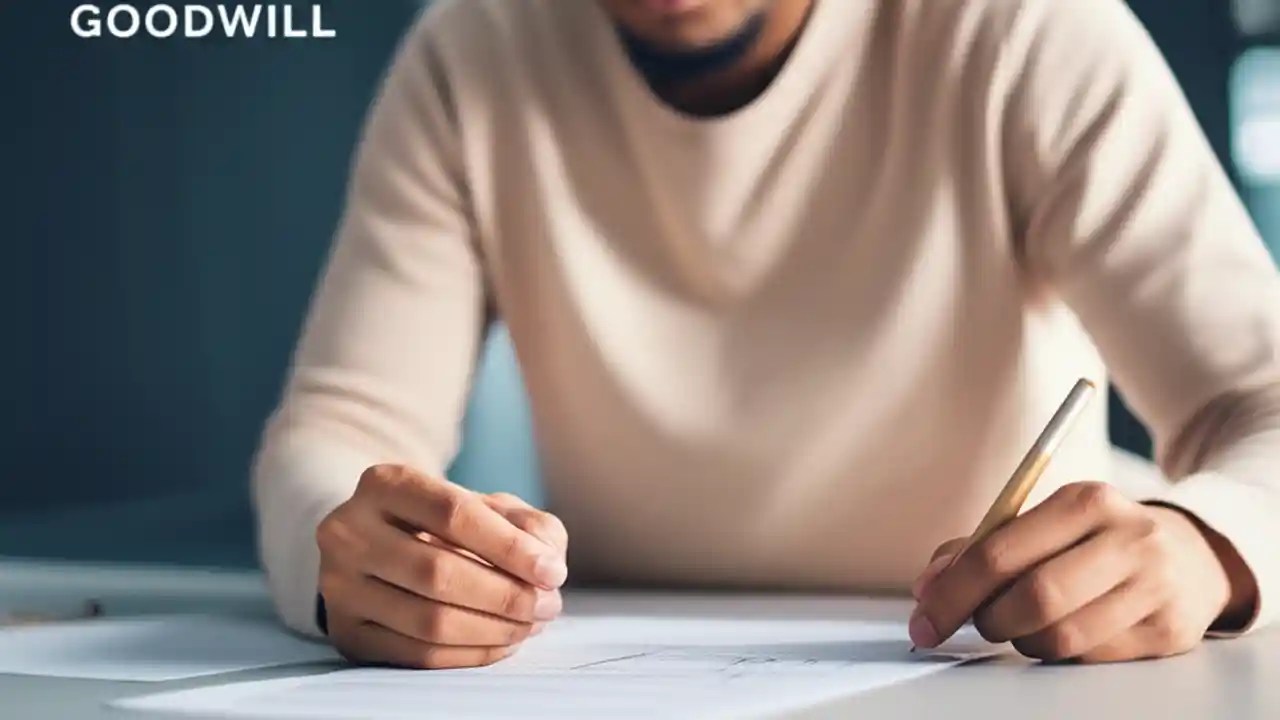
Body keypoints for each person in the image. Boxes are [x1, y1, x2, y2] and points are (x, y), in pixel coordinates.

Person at [251, 0, 1280, 669]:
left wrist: (1209, 544)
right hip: (621, 678)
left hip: (997, 667)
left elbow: (1259, 400)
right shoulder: (471, 50)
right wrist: (346, 558)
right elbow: (338, 431)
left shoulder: (1019, 30)